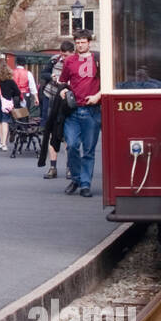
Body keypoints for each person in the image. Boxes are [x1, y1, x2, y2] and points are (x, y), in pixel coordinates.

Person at [58, 29, 101, 197]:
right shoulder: (69, 61)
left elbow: (109, 82)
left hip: (92, 110)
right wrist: (63, 91)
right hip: (73, 111)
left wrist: (98, 96)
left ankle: (85, 184)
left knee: (89, 150)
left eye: (83, 42)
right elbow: (63, 81)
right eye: (78, 42)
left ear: (89, 43)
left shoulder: (98, 60)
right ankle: (76, 178)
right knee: (72, 146)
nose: (80, 45)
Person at [39, 40, 73, 177]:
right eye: (62, 55)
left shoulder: (76, 63)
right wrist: (52, 76)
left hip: (66, 100)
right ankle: (52, 167)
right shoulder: (54, 60)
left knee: (68, 135)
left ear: (72, 53)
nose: (63, 58)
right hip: (51, 97)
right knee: (51, 132)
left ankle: (70, 167)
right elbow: (44, 74)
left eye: (66, 55)